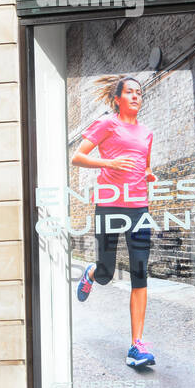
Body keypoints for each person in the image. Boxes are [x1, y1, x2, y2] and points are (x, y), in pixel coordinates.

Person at [71, 75, 158, 368]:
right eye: (130, 92)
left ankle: (137, 345)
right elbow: (78, 157)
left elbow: (144, 164)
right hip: (109, 205)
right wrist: (109, 163)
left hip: (138, 208)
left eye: (139, 93)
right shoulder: (108, 124)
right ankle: (93, 272)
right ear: (118, 98)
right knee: (108, 273)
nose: (136, 96)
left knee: (139, 272)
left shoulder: (146, 132)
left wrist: (147, 174)